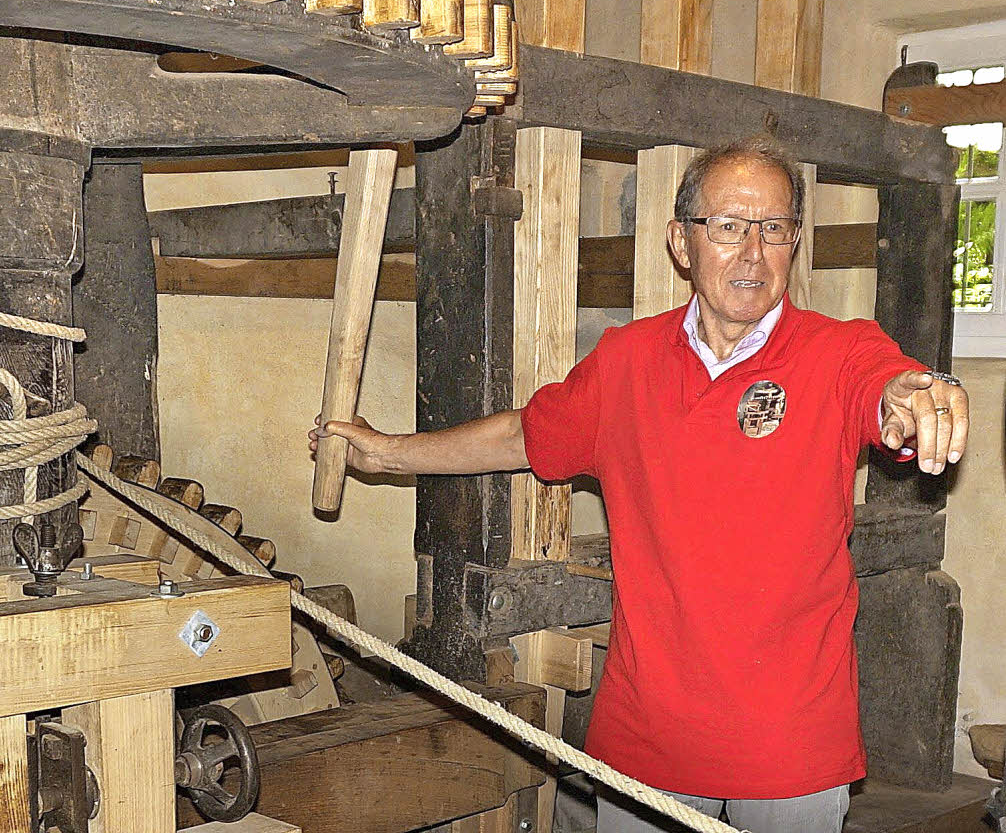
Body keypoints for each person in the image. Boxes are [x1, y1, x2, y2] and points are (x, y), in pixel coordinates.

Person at [309, 136, 970, 833]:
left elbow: (888, 387)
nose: (753, 252)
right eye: (729, 227)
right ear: (681, 243)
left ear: (794, 243)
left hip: (789, 741)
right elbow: (520, 436)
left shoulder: (836, 354)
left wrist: (921, 393)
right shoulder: (626, 363)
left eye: (774, 229)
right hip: (649, 736)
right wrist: (387, 455)